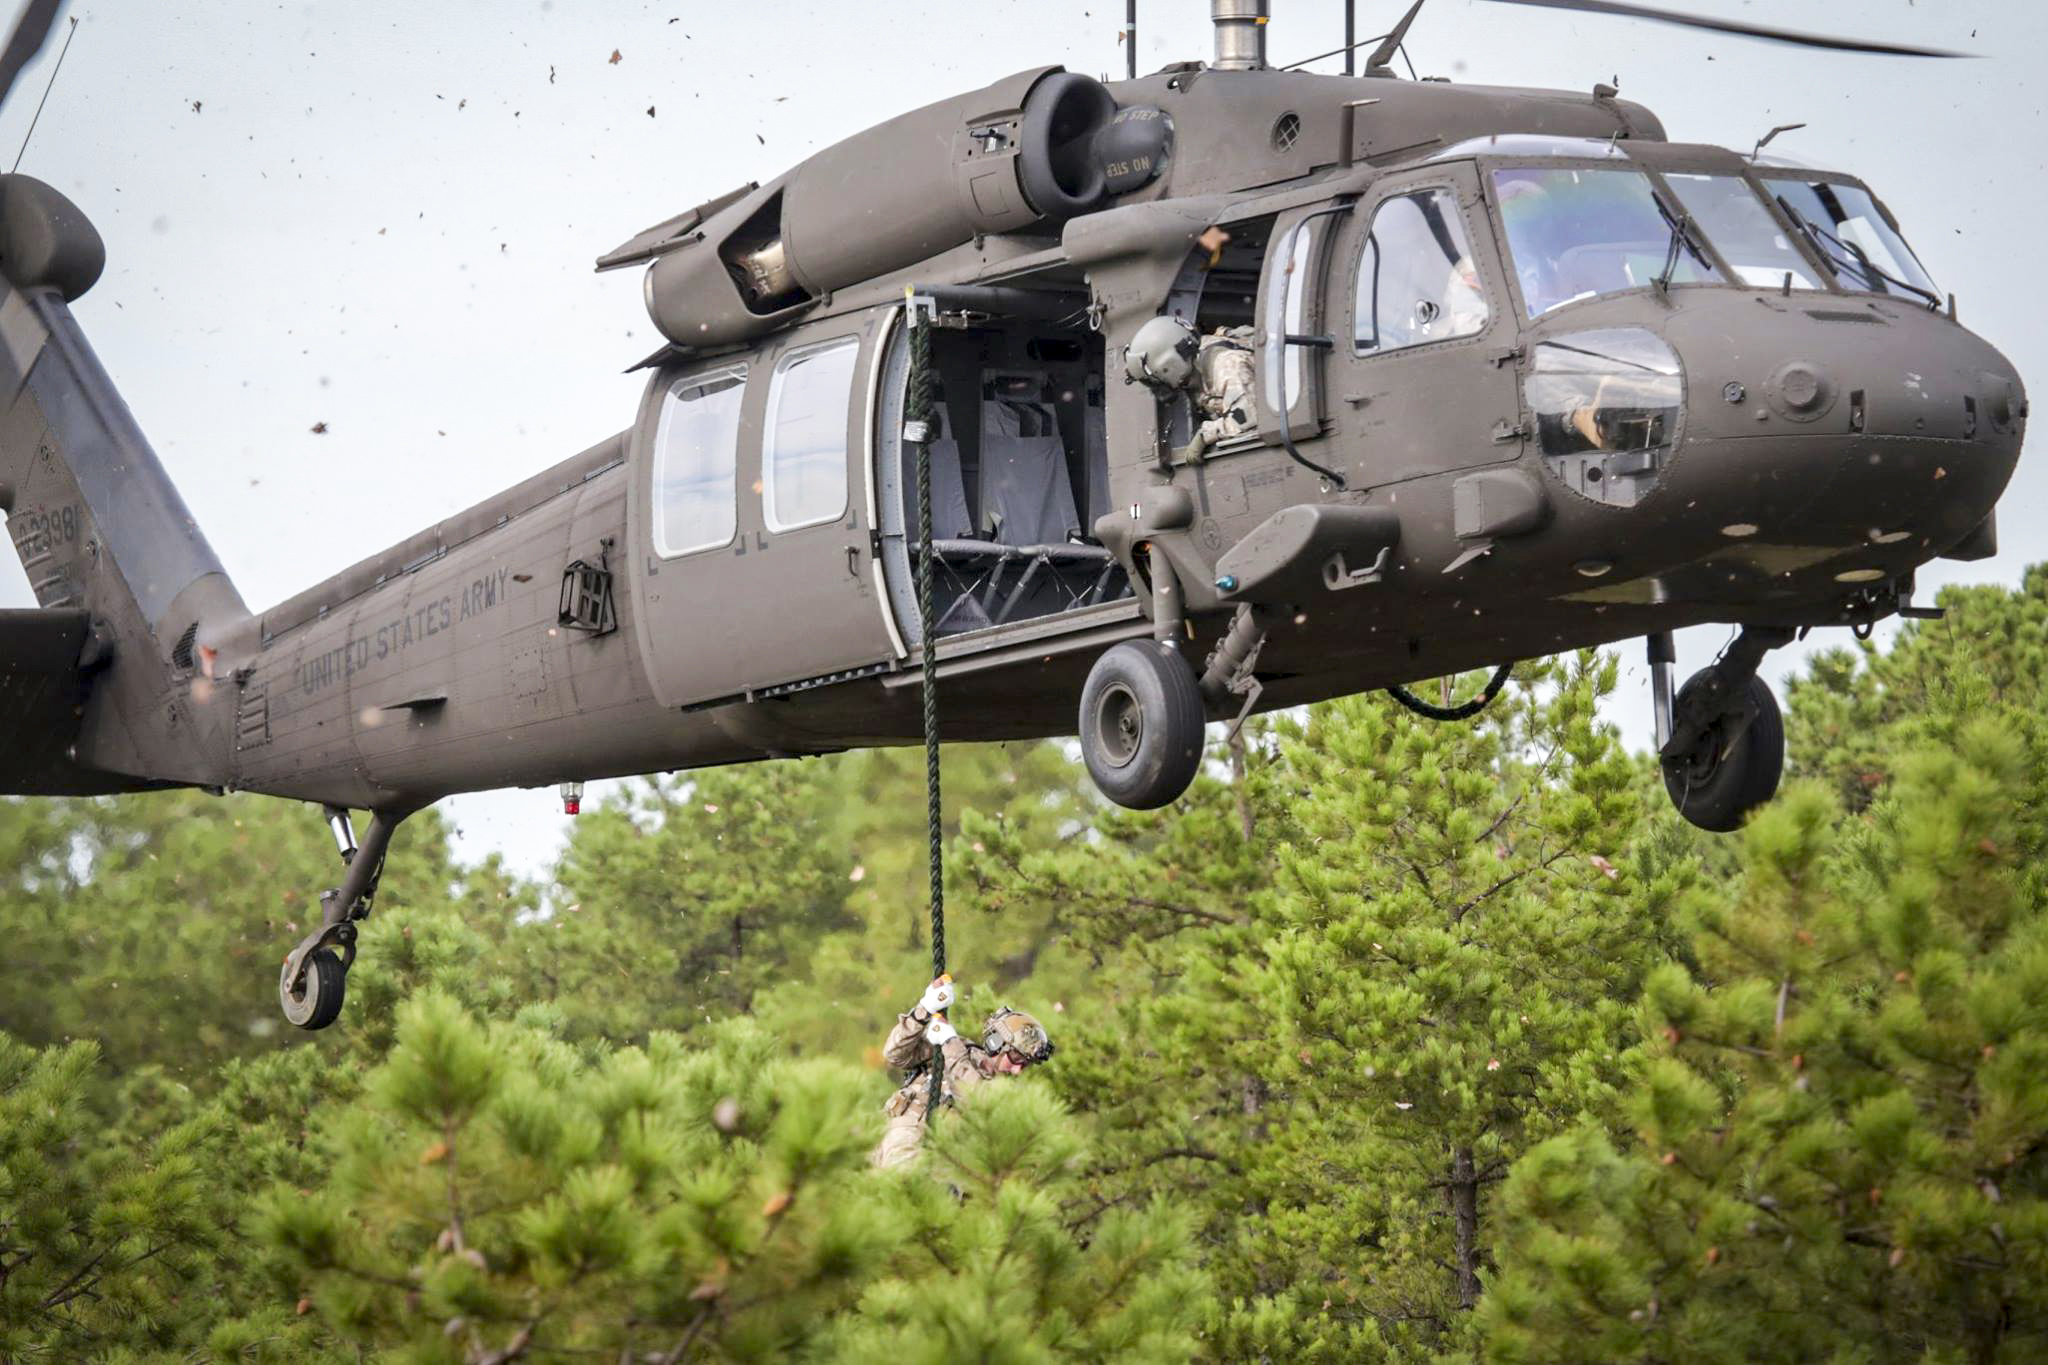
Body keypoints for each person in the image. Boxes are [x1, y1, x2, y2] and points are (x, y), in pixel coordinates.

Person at [871, 975, 1054, 1170]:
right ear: (997, 1044)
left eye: (1026, 1065)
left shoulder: (1005, 1093)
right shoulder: (953, 1048)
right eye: (1016, 1058)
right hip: (902, 1141)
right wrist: (923, 1010)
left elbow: (981, 1099)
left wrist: (949, 1043)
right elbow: (895, 1054)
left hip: (945, 1165)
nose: (1017, 1070)